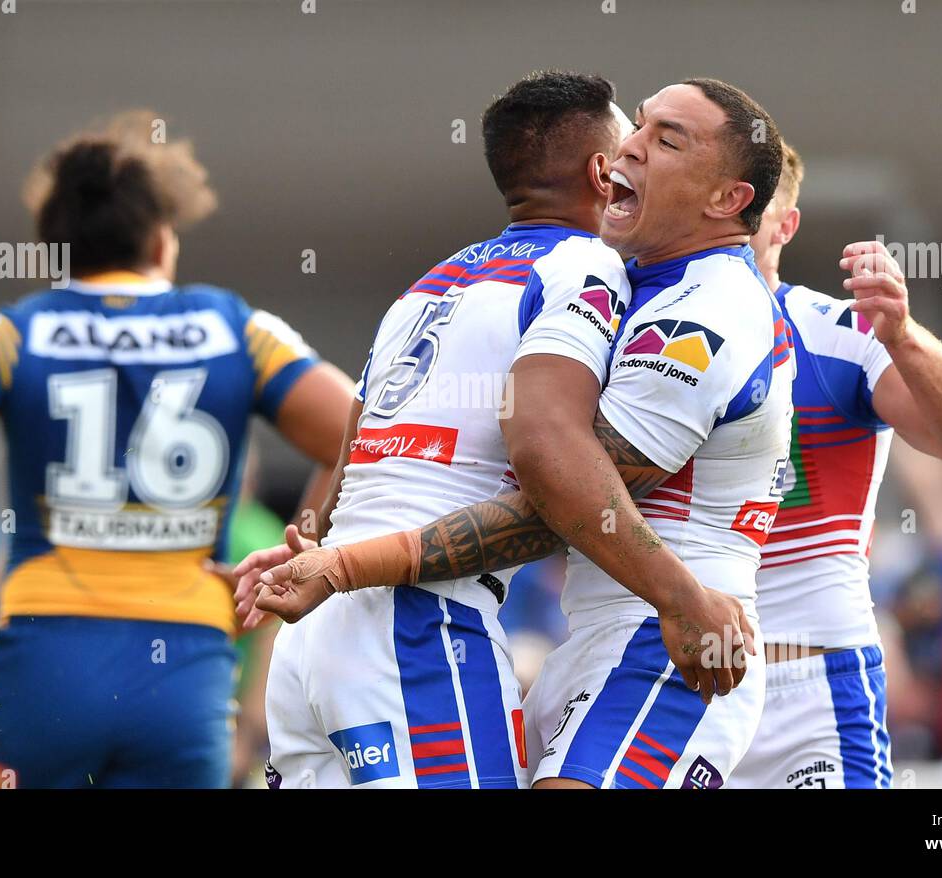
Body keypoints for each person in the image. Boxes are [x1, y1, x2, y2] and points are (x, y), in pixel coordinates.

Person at [254, 79, 793, 789]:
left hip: (657, 644)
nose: (634, 144)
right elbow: (557, 470)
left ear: (728, 201)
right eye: (635, 126)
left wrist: (332, 550)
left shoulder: (437, 282)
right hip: (468, 623)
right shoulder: (600, 272)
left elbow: (557, 478)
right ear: (599, 171)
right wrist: (329, 558)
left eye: (665, 140)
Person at [0, 111, 352, 788]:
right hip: (187, 667)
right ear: (162, 242)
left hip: (45, 656)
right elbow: (361, 433)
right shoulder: (237, 329)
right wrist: (298, 546)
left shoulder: (15, 331)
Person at [723, 144, 942, 787]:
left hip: (808, 683)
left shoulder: (837, 333)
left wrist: (902, 335)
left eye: (752, 205)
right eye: (722, 198)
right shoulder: (630, 330)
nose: (730, 219)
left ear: (785, 226)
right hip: (667, 674)